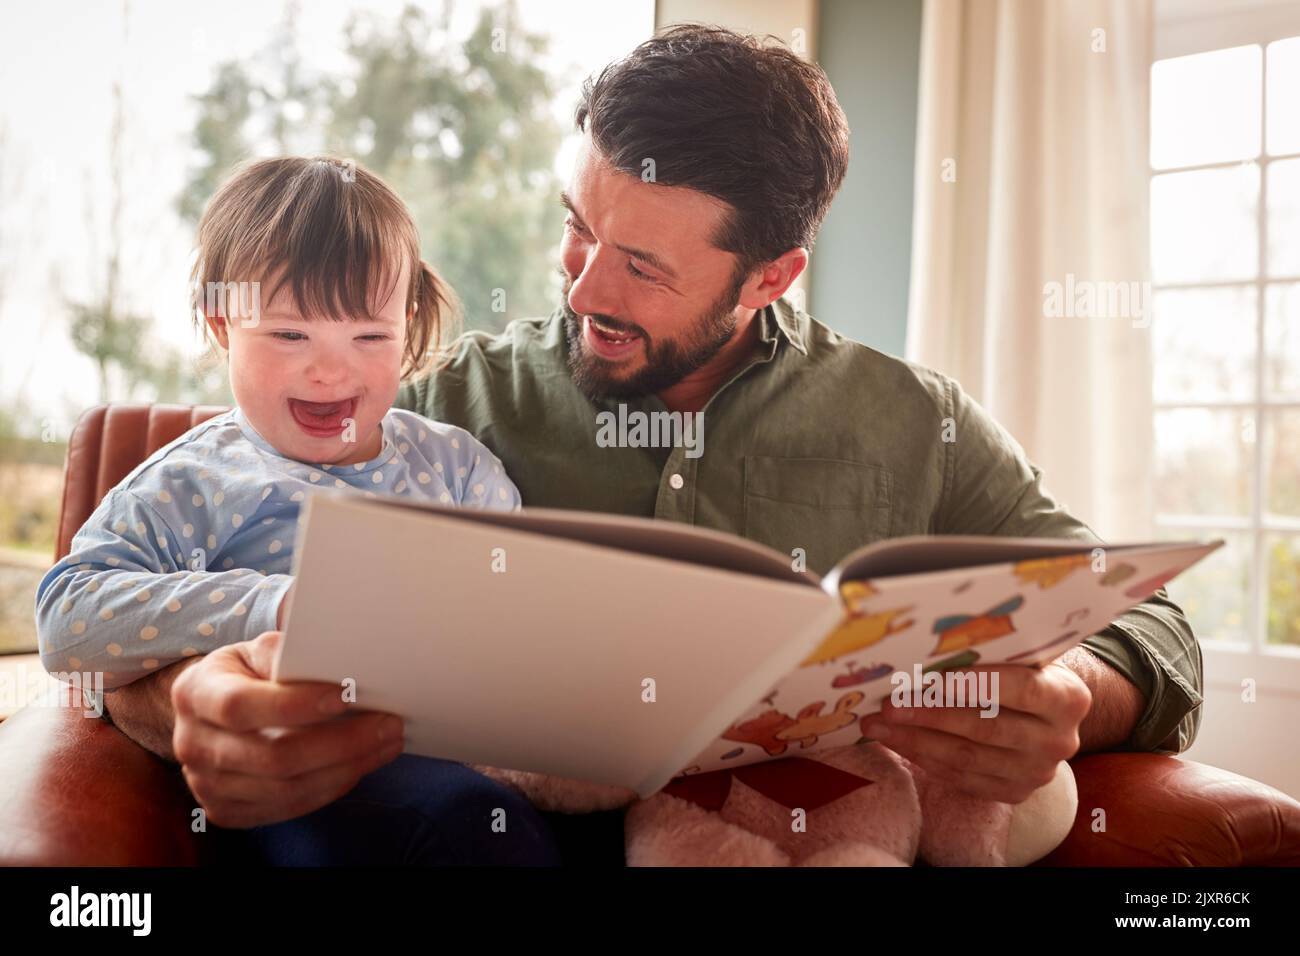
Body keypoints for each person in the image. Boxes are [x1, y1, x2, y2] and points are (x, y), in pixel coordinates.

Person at [99, 26, 1202, 865]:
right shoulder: (437, 411)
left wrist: (1069, 690)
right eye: (578, 225)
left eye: (643, 266)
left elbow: (1145, 620)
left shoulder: (916, 423)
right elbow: (172, 600)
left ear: (770, 275)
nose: (582, 284)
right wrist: (191, 699)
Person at [35, 156, 562, 865]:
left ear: (407, 328)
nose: (331, 370)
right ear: (222, 325)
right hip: (291, 779)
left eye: (369, 337)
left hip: (464, 765)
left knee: (486, 822)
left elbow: (527, 609)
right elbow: (68, 620)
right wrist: (279, 607)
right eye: (290, 335)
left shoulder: (456, 466)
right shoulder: (195, 479)